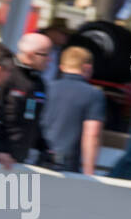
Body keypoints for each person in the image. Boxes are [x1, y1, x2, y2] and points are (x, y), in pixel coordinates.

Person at [39, 46, 105, 175]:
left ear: (61, 67)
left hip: (39, 159)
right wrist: (89, 173)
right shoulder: (93, 94)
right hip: (67, 165)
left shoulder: (46, 88)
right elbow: (92, 134)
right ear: (87, 67)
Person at [0, 32, 52, 165]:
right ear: (30, 54)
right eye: (45, 55)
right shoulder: (5, 75)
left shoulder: (39, 83)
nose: (50, 59)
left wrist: (44, 148)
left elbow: (33, 119)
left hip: (18, 158)